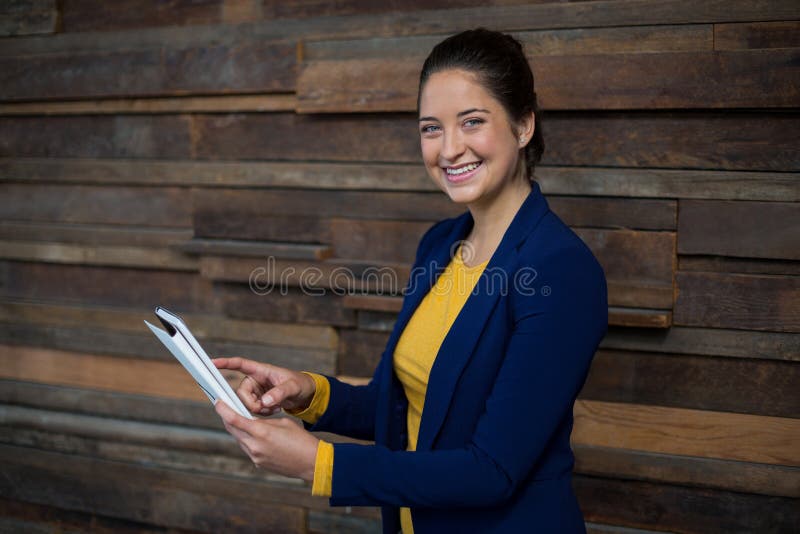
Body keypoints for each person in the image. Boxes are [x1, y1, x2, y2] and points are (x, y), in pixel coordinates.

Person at [212, 28, 608, 534]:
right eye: (430, 128)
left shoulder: (561, 270)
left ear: (524, 124)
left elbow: (493, 471)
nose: (449, 149)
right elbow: (405, 405)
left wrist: (321, 465)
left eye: (472, 122)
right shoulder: (440, 245)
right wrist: (306, 392)